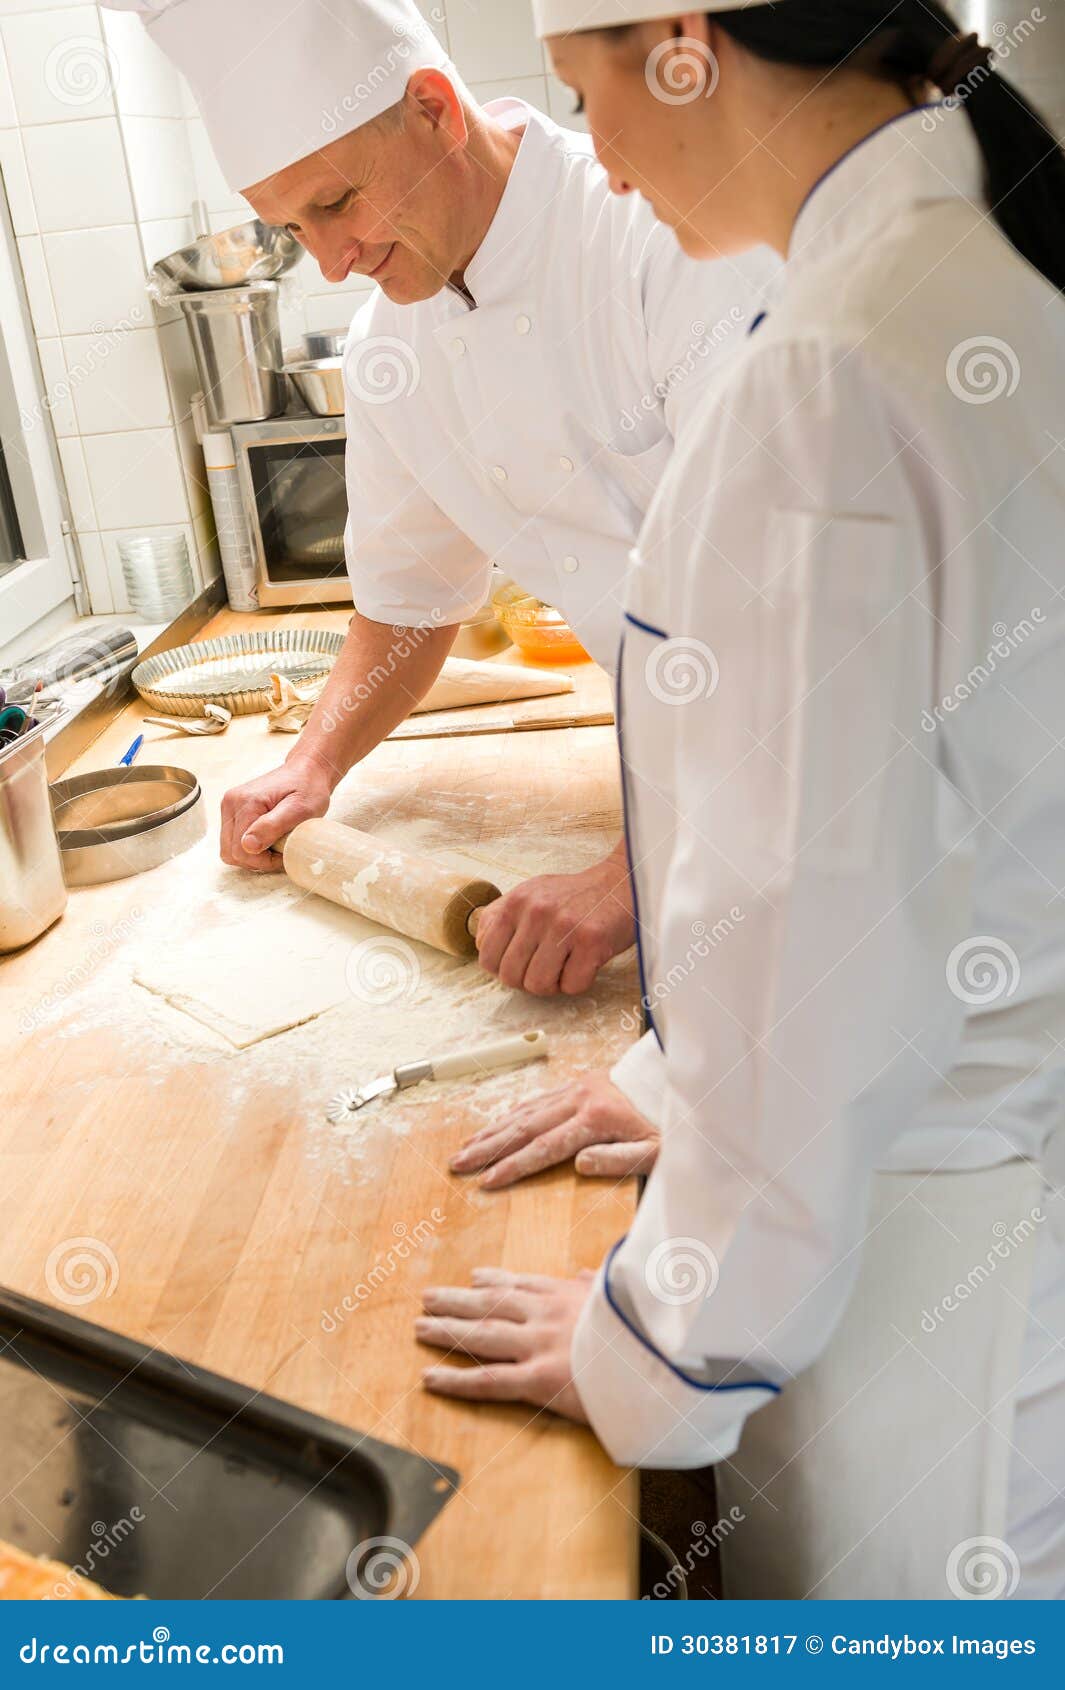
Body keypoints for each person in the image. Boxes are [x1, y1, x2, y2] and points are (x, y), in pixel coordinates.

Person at [420, 0, 1065, 1600]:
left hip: (930, 1272)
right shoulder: (967, 266)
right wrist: (676, 1068)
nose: (599, 162)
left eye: (583, 95)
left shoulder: (832, 380)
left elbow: (814, 942)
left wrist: (651, 1335)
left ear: (684, 42)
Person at [104, 0, 772, 1038]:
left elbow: (796, 604)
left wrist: (635, 874)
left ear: (432, 110)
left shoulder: (669, 238)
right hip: (688, 777)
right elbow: (408, 605)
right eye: (294, 230)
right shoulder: (390, 354)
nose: (332, 261)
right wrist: (312, 763)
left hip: (826, 773)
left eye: (336, 202)